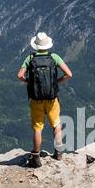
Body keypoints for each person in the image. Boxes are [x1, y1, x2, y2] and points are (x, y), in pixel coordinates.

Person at [17, 31, 72, 167]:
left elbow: (19, 75)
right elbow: (69, 74)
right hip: (52, 99)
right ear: (48, 45)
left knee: (37, 128)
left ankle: (36, 157)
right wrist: (56, 82)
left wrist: (29, 82)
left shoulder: (30, 58)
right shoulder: (54, 57)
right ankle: (58, 153)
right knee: (56, 125)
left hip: (36, 100)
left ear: (36, 46)